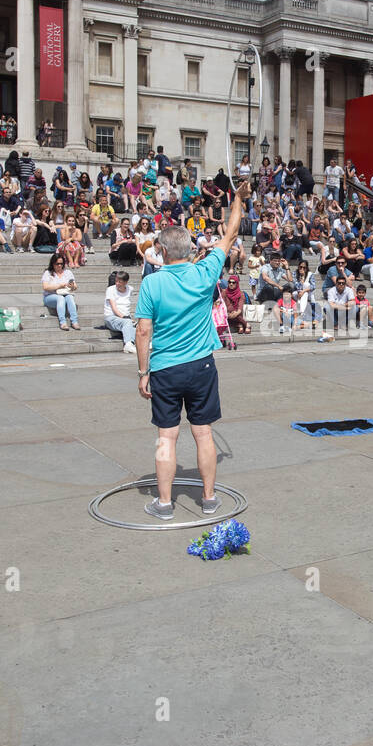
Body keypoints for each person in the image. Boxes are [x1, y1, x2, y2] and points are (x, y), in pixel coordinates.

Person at [134, 180, 246, 520]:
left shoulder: (152, 281)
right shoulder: (204, 271)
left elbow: (142, 331)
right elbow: (230, 233)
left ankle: (165, 504)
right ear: (187, 249)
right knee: (203, 433)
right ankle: (209, 498)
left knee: (166, 437)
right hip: (201, 365)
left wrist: (143, 373)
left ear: (164, 252)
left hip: (166, 367)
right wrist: (238, 198)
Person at [42, 254, 80, 330]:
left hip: (65, 293)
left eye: (61, 264)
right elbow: (45, 287)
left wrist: (71, 286)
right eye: (57, 264)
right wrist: (59, 285)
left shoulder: (68, 272)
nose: (59, 266)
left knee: (70, 297)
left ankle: (74, 321)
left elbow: (75, 286)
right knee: (60, 298)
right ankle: (62, 322)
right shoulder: (48, 273)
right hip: (50, 296)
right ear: (53, 264)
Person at [104, 269, 138, 353]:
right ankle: (128, 344)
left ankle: (145, 343)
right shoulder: (111, 290)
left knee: (139, 325)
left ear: (126, 282)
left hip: (126, 318)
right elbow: (114, 308)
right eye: (116, 281)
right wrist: (125, 317)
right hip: (111, 317)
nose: (117, 284)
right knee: (127, 323)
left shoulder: (130, 289)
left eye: (120, 282)